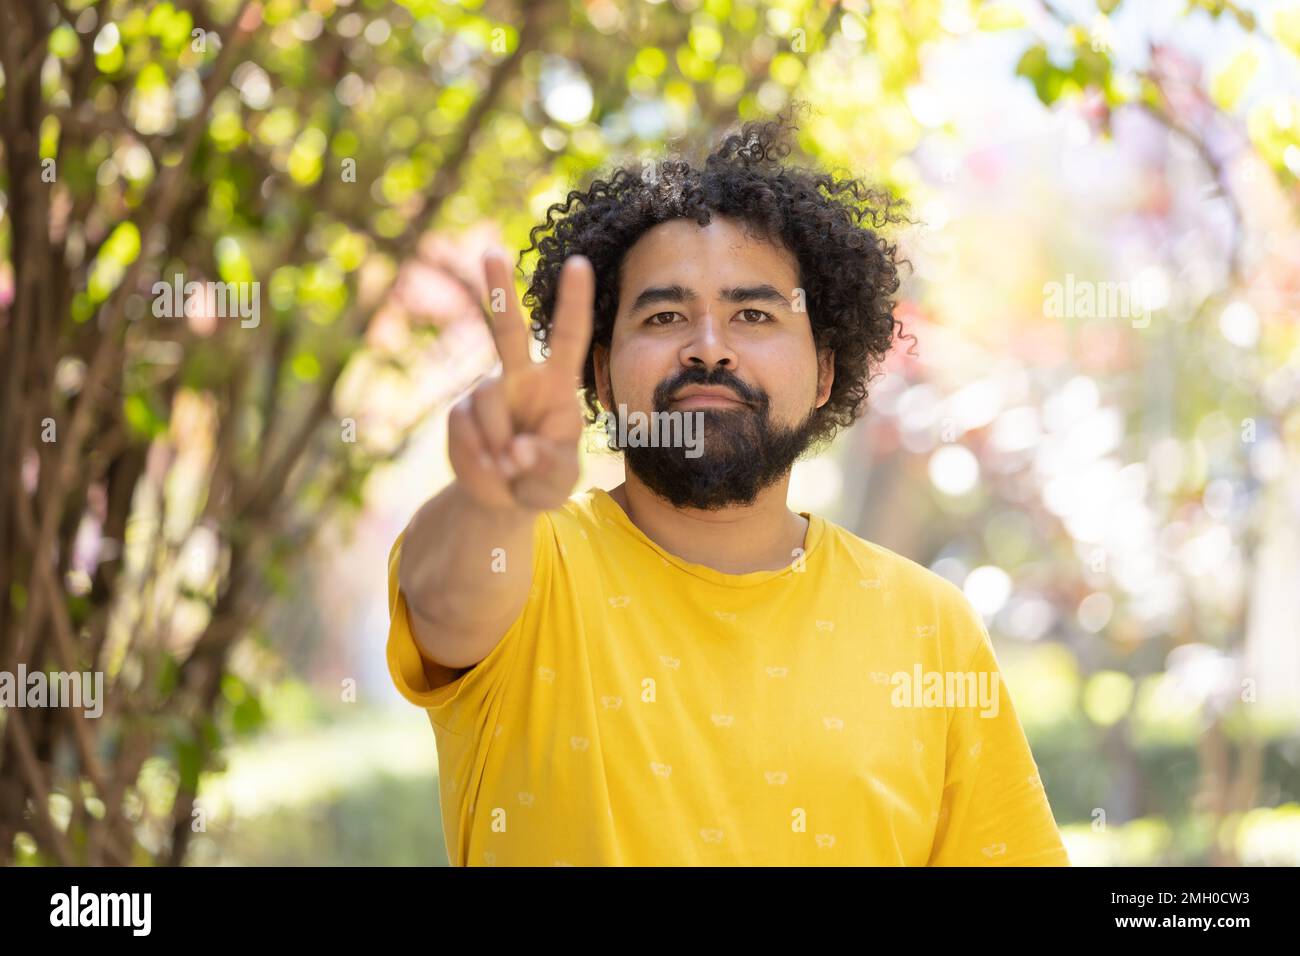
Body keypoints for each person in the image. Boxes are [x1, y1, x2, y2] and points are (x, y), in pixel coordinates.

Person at [386, 111, 1070, 867]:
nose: (709, 348)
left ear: (825, 374)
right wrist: (492, 499)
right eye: (666, 314)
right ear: (604, 374)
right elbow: (445, 605)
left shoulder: (929, 629)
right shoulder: (526, 559)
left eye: (752, 314)